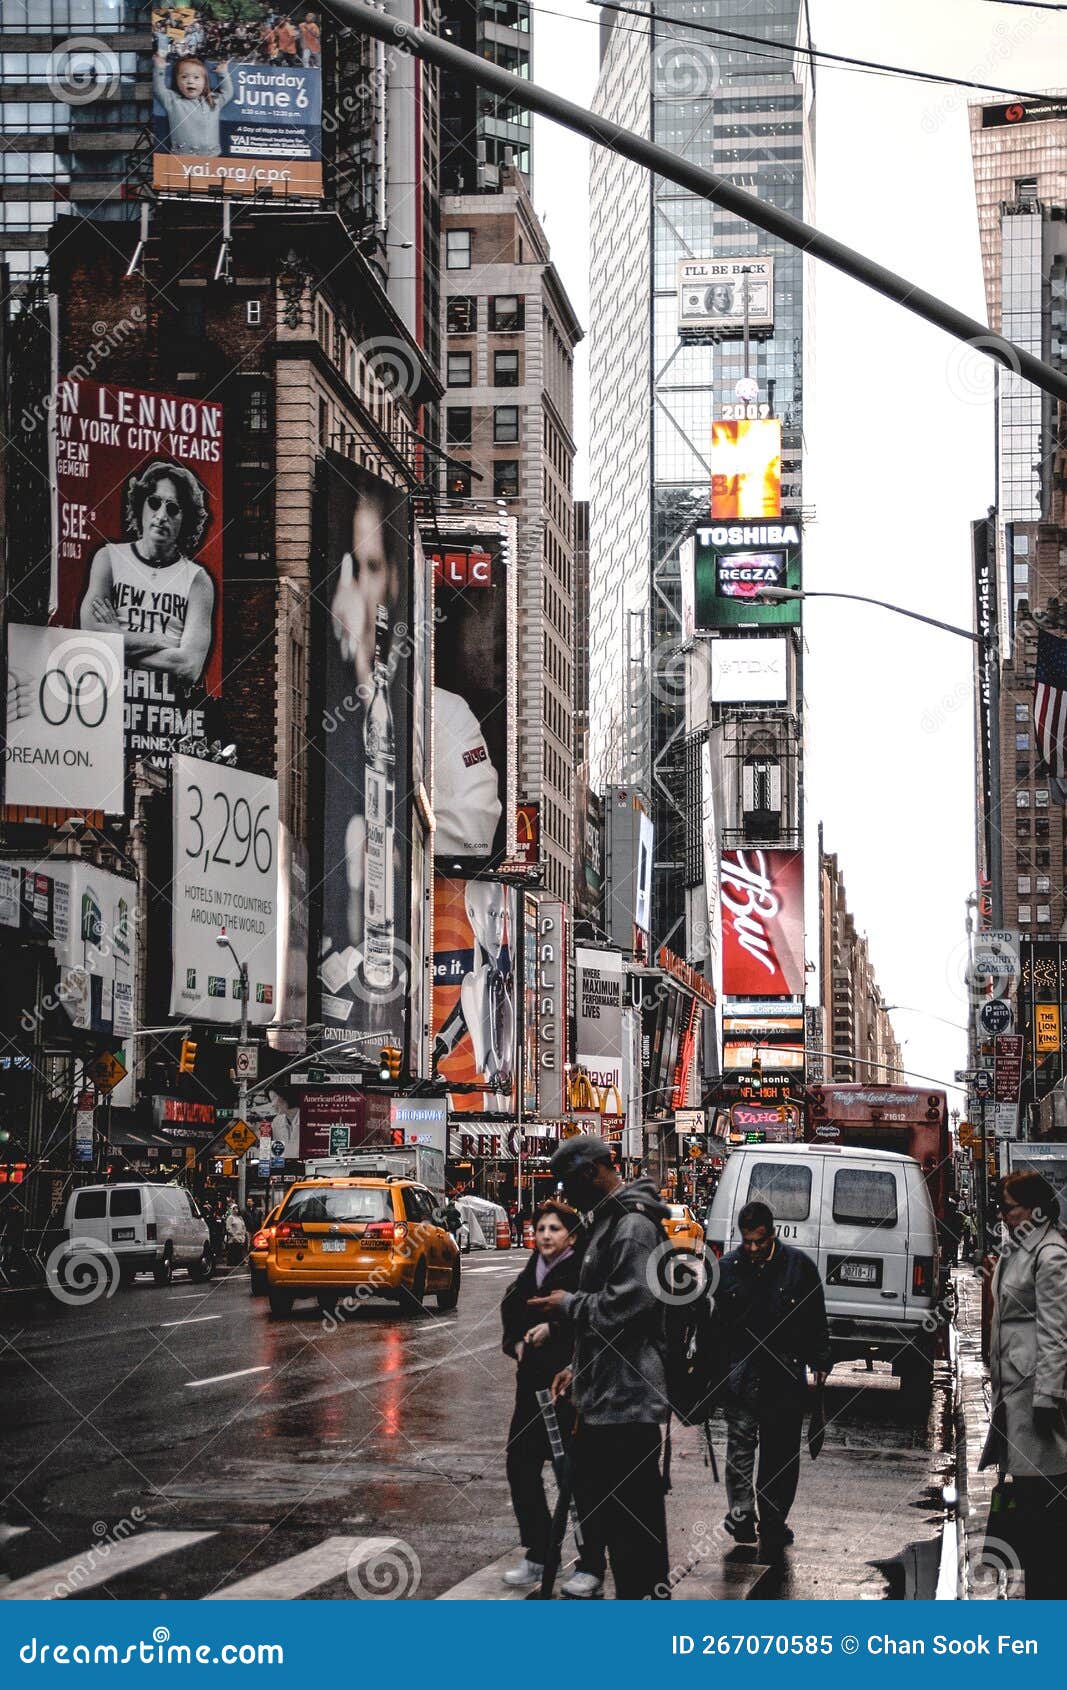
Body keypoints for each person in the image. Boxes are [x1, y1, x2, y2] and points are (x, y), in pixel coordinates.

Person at [529, 1134, 671, 1600]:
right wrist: (578, 1366)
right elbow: (607, 1325)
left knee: (636, 1533)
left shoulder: (631, 1227)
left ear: (591, 1171)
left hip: (627, 1404)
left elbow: (629, 1305)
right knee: (609, 1517)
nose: (566, 1195)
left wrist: (568, 1304)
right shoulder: (608, 1224)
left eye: (569, 1183)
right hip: (604, 1397)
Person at [713, 1199, 830, 1556]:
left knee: (781, 1453)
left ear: (772, 1234)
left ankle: (774, 1520)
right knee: (741, 1447)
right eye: (746, 1241)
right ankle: (742, 1515)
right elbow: (714, 1328)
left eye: (759, 1242)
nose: (752, 1248)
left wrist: (820, 1359)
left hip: (783, 1374)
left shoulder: (798, 1268)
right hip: (742, 1376)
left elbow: (815, 1317)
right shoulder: (727, 1269)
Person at [500, 1200, 604, 1595]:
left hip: (569, 1388)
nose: (545, 1235)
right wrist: (516, 1344)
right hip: (530, 1388)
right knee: (520, 1466)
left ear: (571, 1235)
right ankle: (539, 1551)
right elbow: (510, 1311)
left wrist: (555, 1331)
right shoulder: (532, 1268)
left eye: (554, 1229)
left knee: (577, 1478)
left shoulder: (582, 1271)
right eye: (541, 1228)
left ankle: (592, 1563)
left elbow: (594, 1323)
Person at [979, 1171, 1067, 1599]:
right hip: (1014, 1391)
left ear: (1033, 1209)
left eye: (1008, 1206)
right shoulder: (1018, 1248)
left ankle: (1048, 1596)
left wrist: (1048, 1394)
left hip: (1034, 1395)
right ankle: (1039, 1590)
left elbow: (1055, 1331)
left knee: (1042, 1501)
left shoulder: (1050, 1255)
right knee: (1029, 1497)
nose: (1002, 1213)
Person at [79, 461, 216, 689]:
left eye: (173, 508)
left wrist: (117, 639)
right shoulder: (108, 559)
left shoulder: (198, 581)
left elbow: (189, 666)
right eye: (154, 502)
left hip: (166, 711)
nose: (161, 515)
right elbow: (91, 637)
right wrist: (162, 641)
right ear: (141, 505)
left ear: (186, 519)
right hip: (106, 696)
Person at [153, 54, 233, 157]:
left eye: (196, 77)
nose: (190, 81)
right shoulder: (173, 101)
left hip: (211, 157)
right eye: (184, 77)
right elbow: (158, 89)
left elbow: (228, 92)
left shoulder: (212, 101)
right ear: (177, 81)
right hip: (182, 158)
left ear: (205, 82)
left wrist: (223, 73)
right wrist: (159, 68)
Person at [224, 1201, 247, 1266]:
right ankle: (233, 1262)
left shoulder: (240, 1218)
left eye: (237, 1209)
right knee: (233, 1250)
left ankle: (239, 1261)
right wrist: (233, 1235)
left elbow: (243, 1226)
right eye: (234, 1209)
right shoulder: (230, 1218)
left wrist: (243, 1234)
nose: (236, 1210)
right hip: (233, 1238)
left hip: (240, 1236)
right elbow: (228, 1227)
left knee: (239, 1250)